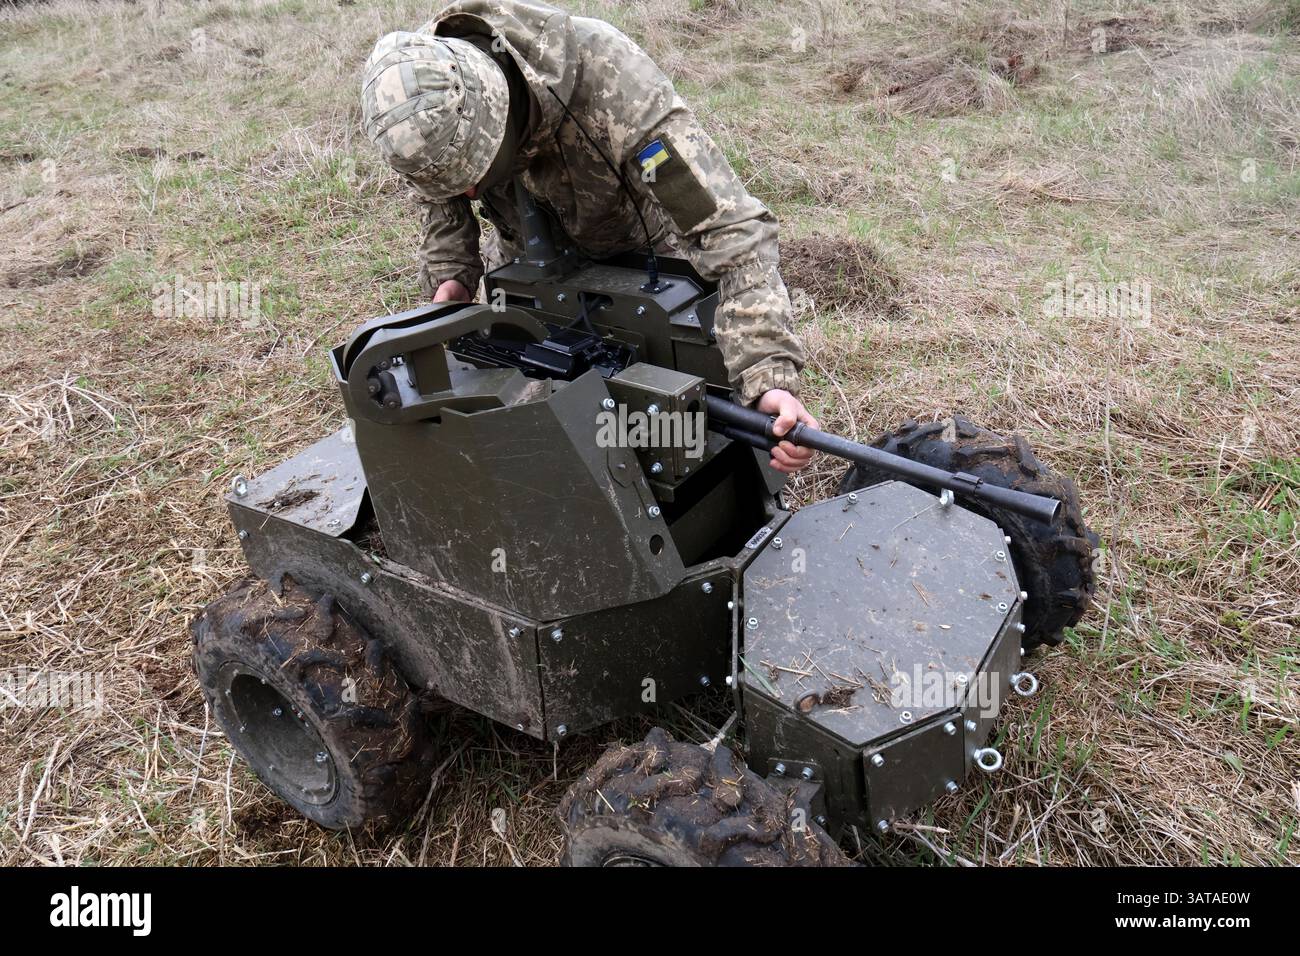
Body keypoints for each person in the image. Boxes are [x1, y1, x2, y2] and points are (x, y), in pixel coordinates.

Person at [361, 0, 818, 472]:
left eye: (476, 172)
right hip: (525, 273)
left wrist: (767, 374)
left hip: (633, 254)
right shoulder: (418, 90)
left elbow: (728, 229)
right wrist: (450, 279)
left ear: (497, 112)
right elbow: (443, 204)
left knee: (664, 425)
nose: (472, 191)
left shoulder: (615, 84)